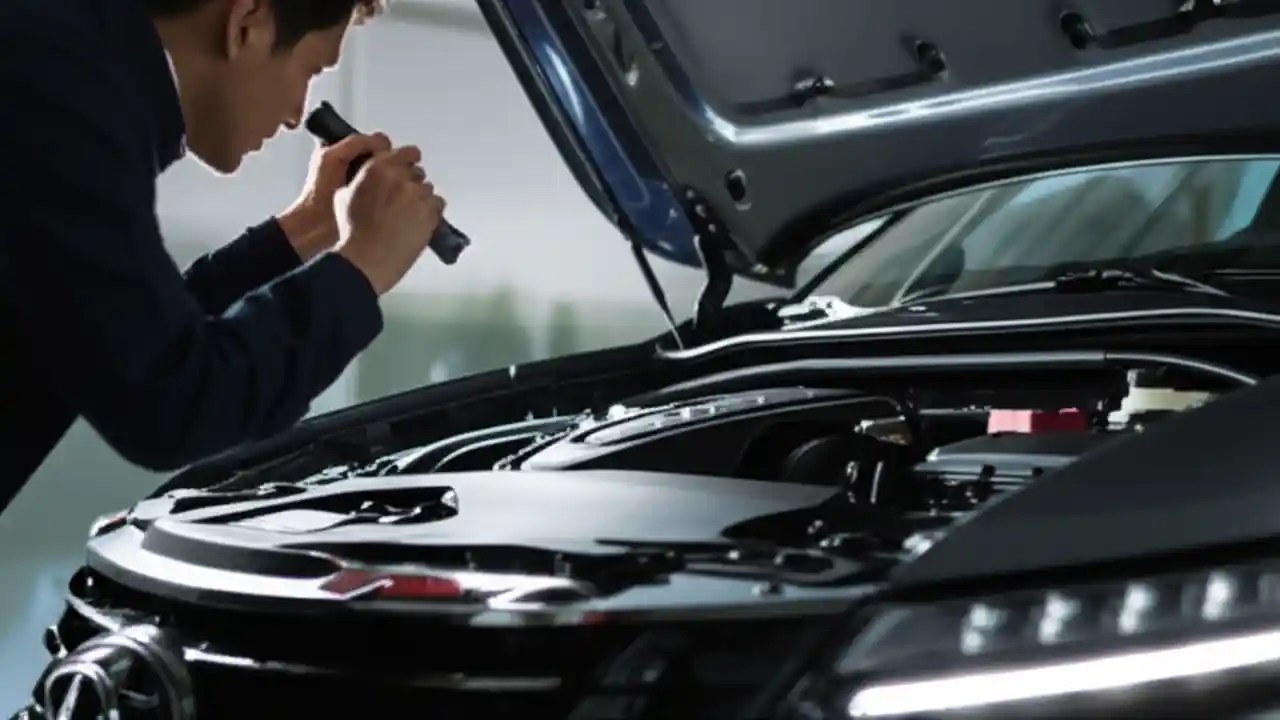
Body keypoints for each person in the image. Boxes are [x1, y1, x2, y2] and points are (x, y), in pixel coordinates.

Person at [0, 0, 442, 513]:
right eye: (310, 69)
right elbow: (169, 400)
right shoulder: (56, 85)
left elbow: (129, 332)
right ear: (248, 23)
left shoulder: (58, 58)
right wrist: (363, 266)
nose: (298, 111)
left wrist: (303, 229)